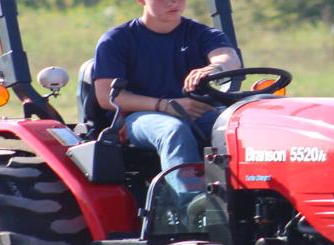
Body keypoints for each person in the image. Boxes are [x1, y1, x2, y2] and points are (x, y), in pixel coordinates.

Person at [93, 0, 242, 173]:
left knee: (239, 126)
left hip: (196, 110)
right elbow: (106, 97)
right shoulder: (116, 40)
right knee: (173, 130)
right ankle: (187, 198)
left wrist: (214, 67)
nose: (173, 2)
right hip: (139, 117)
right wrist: (165, 105)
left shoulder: (202, 34)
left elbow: (228, 57)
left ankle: (251, 195)